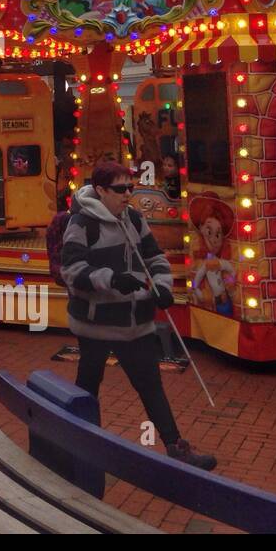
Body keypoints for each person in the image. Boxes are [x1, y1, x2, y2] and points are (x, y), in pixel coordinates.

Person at [60, 161, 216, 470]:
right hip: (96, 323)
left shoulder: (133, 217)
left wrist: (162, 286)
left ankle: (175, 446)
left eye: (131, 187)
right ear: (101, 190)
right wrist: (112, 278)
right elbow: (72, 270)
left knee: (150, 384)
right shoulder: (81, 223)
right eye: (120, 189)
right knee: (88, 386)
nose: (128, 194)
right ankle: (81, 447)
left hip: (136, 321)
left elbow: (154, 256)